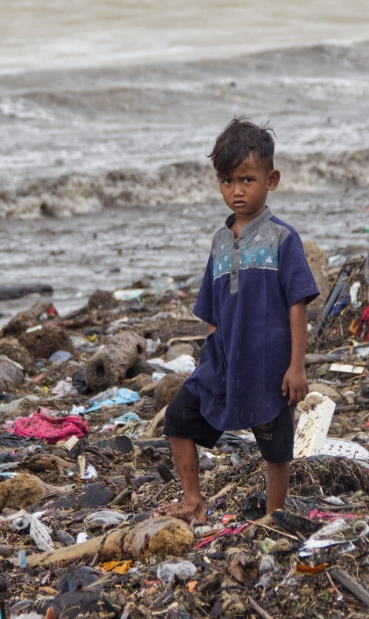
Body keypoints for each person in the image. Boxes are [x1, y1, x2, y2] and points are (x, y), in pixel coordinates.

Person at [153, 118, 320, 524]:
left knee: (274, 445)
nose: (236, 191)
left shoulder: (283, 238)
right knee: (178, 418)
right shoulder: (220, 241)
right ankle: (193, 500)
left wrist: (297, 367)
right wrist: (211, 358)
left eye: (247, 179)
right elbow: (212, 309)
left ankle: (274, 515)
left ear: (272, 179)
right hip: (223, 363)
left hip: (267, 365)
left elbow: (299, 302)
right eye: (227, 181)